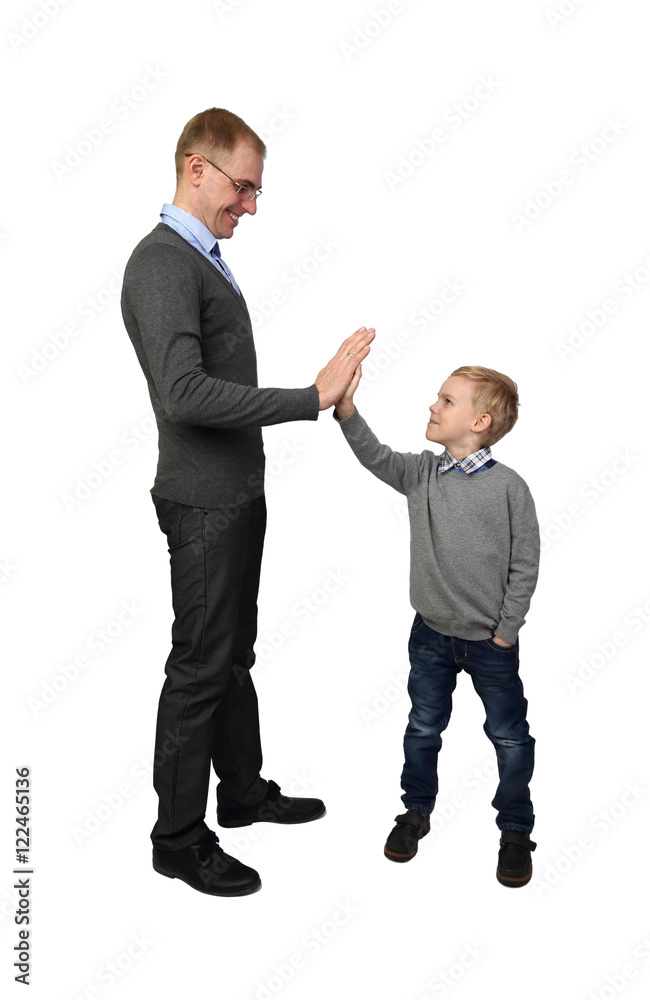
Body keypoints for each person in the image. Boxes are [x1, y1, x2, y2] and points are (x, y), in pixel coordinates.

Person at [120, 107, 375, 897]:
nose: (251, 207)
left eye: (257, 192)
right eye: (244, 187)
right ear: (196, 168)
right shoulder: (163, 263)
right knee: (200, 668)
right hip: (202, 505)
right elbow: (185, 393)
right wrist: (311, 396)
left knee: (231, 658)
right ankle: (177, 838)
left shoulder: (202, 256)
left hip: (234, 496)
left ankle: (240, 793)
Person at [333, 364, 540, 887]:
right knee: (423, 728)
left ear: (480, 421)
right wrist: (347, 411)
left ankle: (515, 829)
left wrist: (506, 631)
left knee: (509, 737)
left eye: (447, 401)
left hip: (492, 644)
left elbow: (525, 565)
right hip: (430, 637)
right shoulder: (422, 474)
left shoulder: (510, 489)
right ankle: (416, 812)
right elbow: (374, 456)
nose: (433, 407)